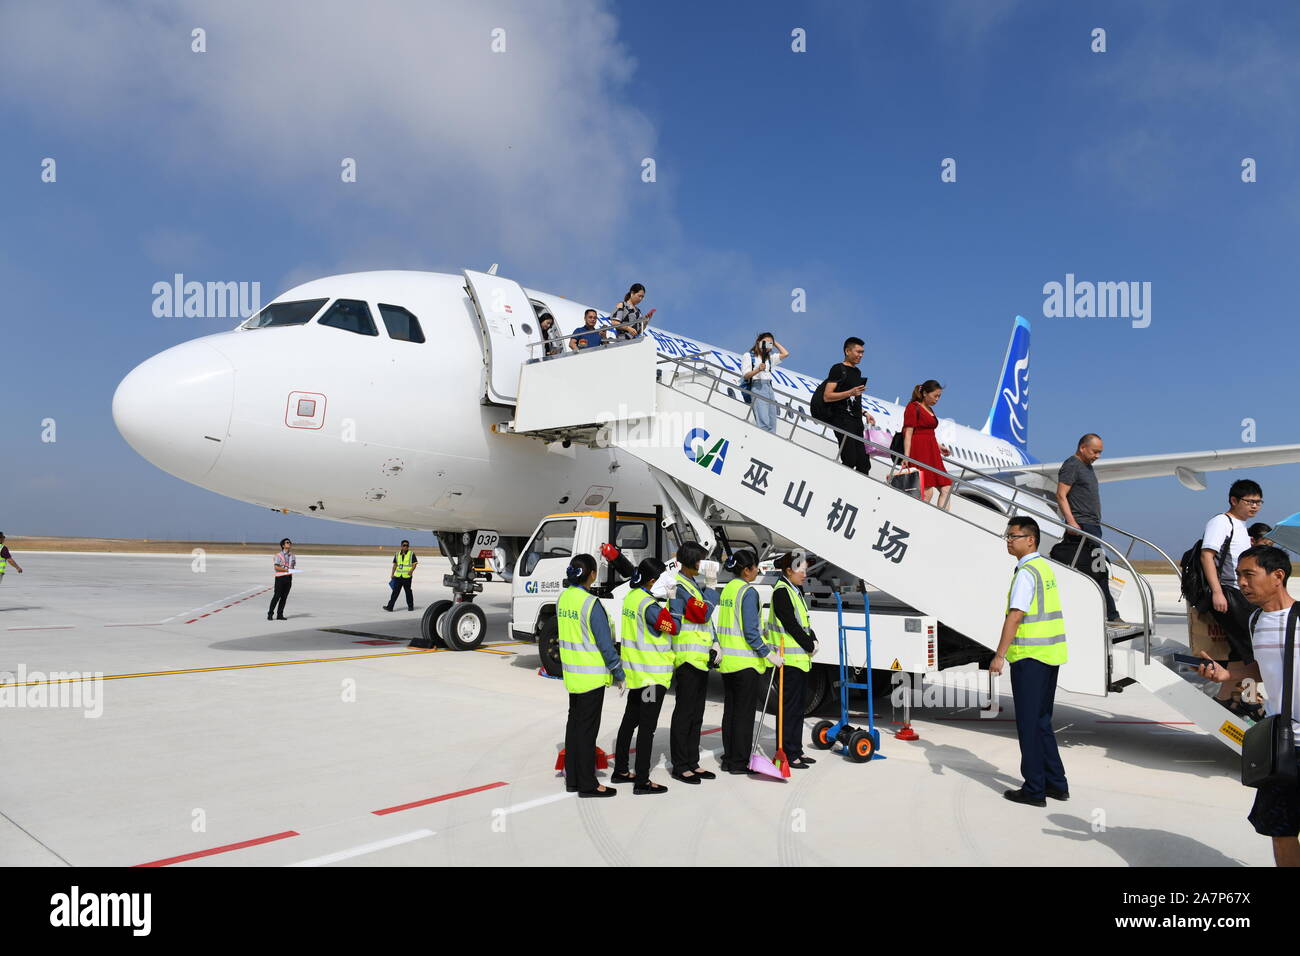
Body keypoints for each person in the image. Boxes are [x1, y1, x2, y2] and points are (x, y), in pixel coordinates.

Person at [1197, 546, 1300, 867]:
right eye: (1239, 574)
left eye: (1249, 575)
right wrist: (1229, 673)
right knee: (1281, 829)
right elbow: (1261, 668)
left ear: (1278, 576)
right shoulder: (1255, 621)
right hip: (1281, 743)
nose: (1240, 582)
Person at [991, 516, 1069, 807]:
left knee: (1028, 725)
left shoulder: (1026, 573)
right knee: (1042, 722)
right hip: (1050, 656)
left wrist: (999, 654)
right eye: (1008, 536)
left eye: (1013, 536)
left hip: (1030, 657)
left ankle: (1035, 789)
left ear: (1030, 540)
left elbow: (1016, 615)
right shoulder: (1043, 568)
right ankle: (1056, 783)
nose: (1009, 541)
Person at [557, 553, 625, 797]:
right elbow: (605, 645)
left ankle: (573, 779)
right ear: (593, 575)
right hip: (592, 675)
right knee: (587, 732)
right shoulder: (591, 604)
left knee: (574, 727)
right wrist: (618, 671)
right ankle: (588, 784)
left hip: (573, 675)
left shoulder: (564, 599)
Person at [1200, 479, 1267, 719]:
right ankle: (1248, 699)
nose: (1255, 506)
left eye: (1259, 502)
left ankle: (1226, 699)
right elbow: (1207, 555)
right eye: (1250, 501)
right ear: (1234, 500)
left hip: (1240, 594)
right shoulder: (1222, 522)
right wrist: (1217, 592)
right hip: (1228, 593)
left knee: (1241, 651)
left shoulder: (1241, 526)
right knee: (1251, 649)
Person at [611, 558, 678, 794]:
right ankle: (641, 780)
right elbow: (673, 627)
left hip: (636, 674)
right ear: (652, 580)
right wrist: (674, 601)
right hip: (652, 678)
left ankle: (620, 770)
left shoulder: (632, 598)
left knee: (629, 722)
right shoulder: (649, 606)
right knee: (647, 728)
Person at [717, 549, 782, 774]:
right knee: (744, 716)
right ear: (747, 570)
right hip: (746, 664)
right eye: (756, 567)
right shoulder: (748, 592)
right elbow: (751, 633)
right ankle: (739, 762)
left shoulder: (728, 590)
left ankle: (728, 758)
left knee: (731, 712)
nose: (757, 571)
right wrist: (769, 655)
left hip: (728, 663)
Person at [1055, 434, 1121, 624]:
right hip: (1081, 526)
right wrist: (1071, 521)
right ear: (1083, 448)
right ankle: (1111, 615)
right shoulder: (1072, 465)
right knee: (1096, 569)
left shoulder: (1087, 467)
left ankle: (1107, 613)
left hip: (1092, 526)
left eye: (1100, 452)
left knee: (1097, 569)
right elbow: (1061, 495)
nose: (1098, 456)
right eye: (1095, 451)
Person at [667, 542, 720, 784]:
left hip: (700, 658)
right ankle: (680, 765)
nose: (704, 565)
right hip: (687, 659)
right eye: (701, 560)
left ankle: (692, 761)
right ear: (690, 561)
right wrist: (711, 587)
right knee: (685, 713)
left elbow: (705, 623)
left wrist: (715, 643)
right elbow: (701, 614)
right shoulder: (679, 587)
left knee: (696, 713)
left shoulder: (693, 586)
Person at [764, 551, 817, 769]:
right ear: (788, 571)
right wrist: (808, 644)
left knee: (798, 709)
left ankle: (797, 749)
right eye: (801, 570)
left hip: (800, 661)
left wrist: (813, 638)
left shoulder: (795, 590)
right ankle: (788, 751)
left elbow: (803, 622)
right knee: (789, 709)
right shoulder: (782, 592)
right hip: (788, 662)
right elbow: (790, 624)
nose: (804, 574)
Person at [819, 337, 876, 475]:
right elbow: (827, 396)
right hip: (842, 419)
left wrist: (865, 413)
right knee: (849, 459)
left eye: (862, 352)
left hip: (857, 421)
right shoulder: (838, 369)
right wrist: (850, 392)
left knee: (864, 464)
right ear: (847, 351)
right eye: (858, 352)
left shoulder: (857, 372)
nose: (861, 355)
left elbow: (852, 400)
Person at [902, 380, 953, 510]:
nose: (937, 399)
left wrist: (939, 446)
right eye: (935, 396)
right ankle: (920, 517)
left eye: (939, 396)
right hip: (919, 451)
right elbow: (908, 432)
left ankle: (942, 518)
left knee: (946, 488)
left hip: (932, 452)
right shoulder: (913, 407)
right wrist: (906, 456)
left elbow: (929, 432)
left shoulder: (929, 409)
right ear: (925, 393)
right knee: (926, 491)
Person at [742, 332, 789, 434]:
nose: (767, 345)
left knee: (772, 423)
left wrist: (773, 342)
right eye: (765, 342)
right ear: (758, 342)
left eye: (770, 344)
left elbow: (785, 354)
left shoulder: (770, 358)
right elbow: (746, 375)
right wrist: (758, 369)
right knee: (763, 422)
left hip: (769, 388)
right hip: (757, 387)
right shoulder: (749, 356)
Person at [383, 539, 417, 612]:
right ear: (401, 546)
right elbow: (395, 565)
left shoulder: (411, 554)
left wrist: (411, 571)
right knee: (395, 592)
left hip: (407, 577)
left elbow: (414, 564)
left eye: (407, 545)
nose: (406, 547)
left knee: (408, 592)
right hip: (398, 576)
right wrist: (392, 574)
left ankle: (410, 607)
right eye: (404, 545)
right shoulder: (397, 554)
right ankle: (390, 607)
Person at [268, 538, 295, 620]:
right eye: (287, 542)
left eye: (290, 542)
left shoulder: (292, 556)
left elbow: (293, 567)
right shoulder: (278, 555)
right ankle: (270, 613)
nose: (289, 543)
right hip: (280, 578)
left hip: (288, 578)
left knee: (284, 597)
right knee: (277, 596)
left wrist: (291, 570)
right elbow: (276, 567)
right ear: (283, 545)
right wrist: (286, 569)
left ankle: (280, 614)